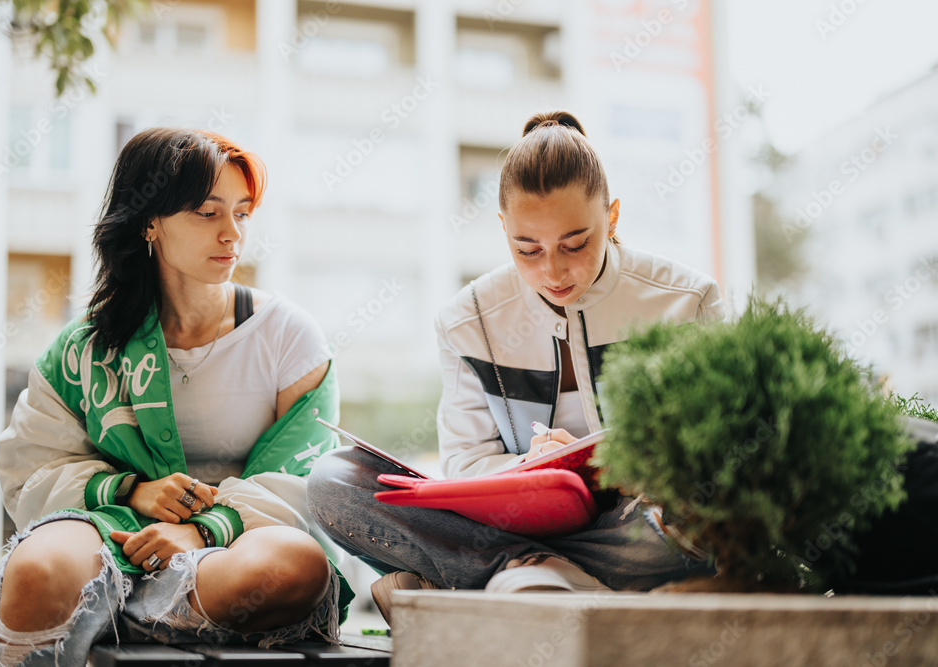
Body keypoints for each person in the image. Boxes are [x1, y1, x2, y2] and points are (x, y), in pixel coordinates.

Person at [307, 110, 725, 624]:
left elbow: (720, 457)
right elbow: (463, 461)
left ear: (612, 217)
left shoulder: (687, 302)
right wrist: (528, 468)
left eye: (576, 244)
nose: (552, 270)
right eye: (526, 248)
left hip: (630, 526)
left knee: (693, 522)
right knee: (334, 481)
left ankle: (493, 583)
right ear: (502, 228)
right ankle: (546, 575)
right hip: (506, 526)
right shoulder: (467, 319)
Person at [0, 128, 353, 667]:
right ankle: (111, 600)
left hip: (239, 542)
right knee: (39, 569)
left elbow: (307, 479)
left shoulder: (287, 336)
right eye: (207, 213)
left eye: (242, 213)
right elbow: (29, 469)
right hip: (111, 527)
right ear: (149, 221)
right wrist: (131, 490)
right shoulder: (84, 349)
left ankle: (115, 611)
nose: (232, 234)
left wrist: (199, 530)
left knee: (291, 566)